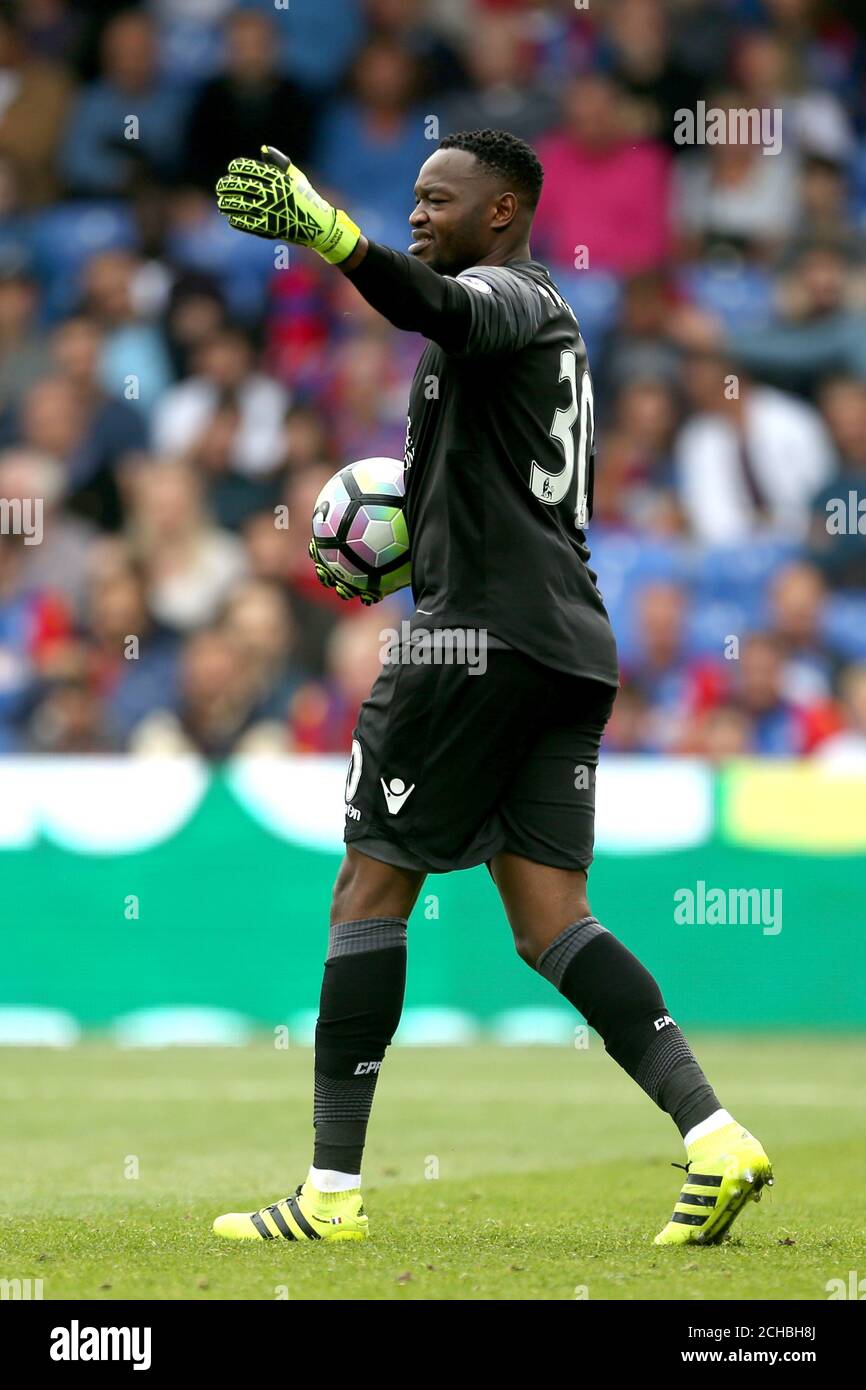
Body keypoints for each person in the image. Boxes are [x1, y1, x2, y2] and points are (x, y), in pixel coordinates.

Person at [211, 129, 772, 1246]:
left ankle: (329, 1196)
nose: (417, 212)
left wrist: (328, 233)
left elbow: (442, 307)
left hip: (473, 646)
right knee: (550, 918)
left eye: (438, 198)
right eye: (409, 199)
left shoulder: (513, 298)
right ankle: (714, 1135)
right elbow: (497, 488)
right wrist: (420, 533)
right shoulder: (519, 347)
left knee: (366, 892)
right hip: (565, 647)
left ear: (503, 211)